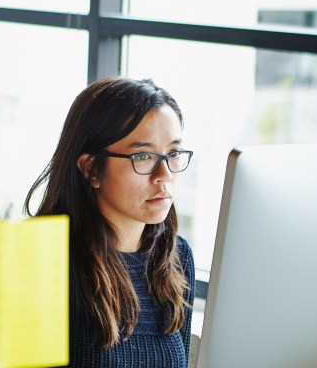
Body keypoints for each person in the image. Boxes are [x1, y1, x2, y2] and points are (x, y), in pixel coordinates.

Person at [25, 76, 195, 367]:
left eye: (174, 154)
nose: (164, 175)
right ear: (92, 168)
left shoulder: (177, 257)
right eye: (143, 156)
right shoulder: (41, 258)